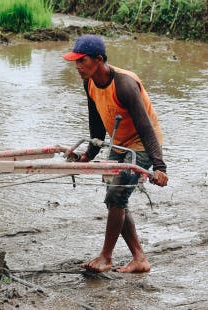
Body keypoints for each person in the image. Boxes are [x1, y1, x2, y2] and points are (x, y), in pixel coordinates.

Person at [63, 35, 169, 273]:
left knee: (116, 197)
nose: (78, 66)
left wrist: (159, 167)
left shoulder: (124, 84)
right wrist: (88, 155)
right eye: (76, 61)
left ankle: (106, 257)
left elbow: (146, 127)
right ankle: (139, 258)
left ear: (99, 60)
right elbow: (97, 124)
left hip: (142, 144)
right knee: (116, 200)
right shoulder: (89, 82)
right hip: (120, 143)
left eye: (83, 61)